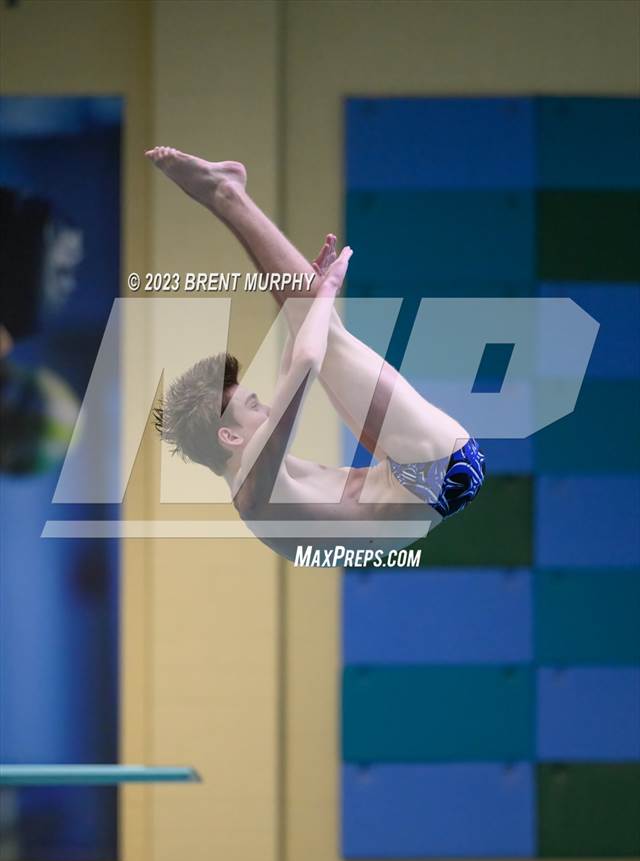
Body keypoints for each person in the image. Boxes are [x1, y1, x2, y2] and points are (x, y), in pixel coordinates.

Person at [147, 147, 486, 563]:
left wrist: (314, 295)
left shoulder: (251, 491)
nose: (266, 405)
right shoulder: (255, 485)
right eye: (252, 405)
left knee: (312, 322)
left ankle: (227, 193)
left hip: (426, 480)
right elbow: (307, 363)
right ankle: (226, 194)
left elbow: (297, 356)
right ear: (229, 435)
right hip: (435, 469)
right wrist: (327, 289)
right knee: (323, 329)